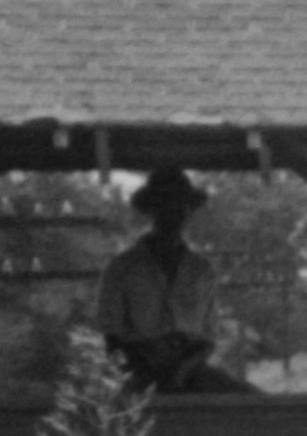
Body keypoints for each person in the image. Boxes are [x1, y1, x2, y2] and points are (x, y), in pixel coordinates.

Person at [95, 169, 255, 394]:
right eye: (166, 204)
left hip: (192, 373)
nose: (175, 213)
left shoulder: (202, 271)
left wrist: (182, 370)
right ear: (153, 210)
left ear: (189, 212)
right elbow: (111, 338)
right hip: (138, 375)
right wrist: (145, 369)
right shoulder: (121, 269)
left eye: (182, 205)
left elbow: (208, 337)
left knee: (251, 401)